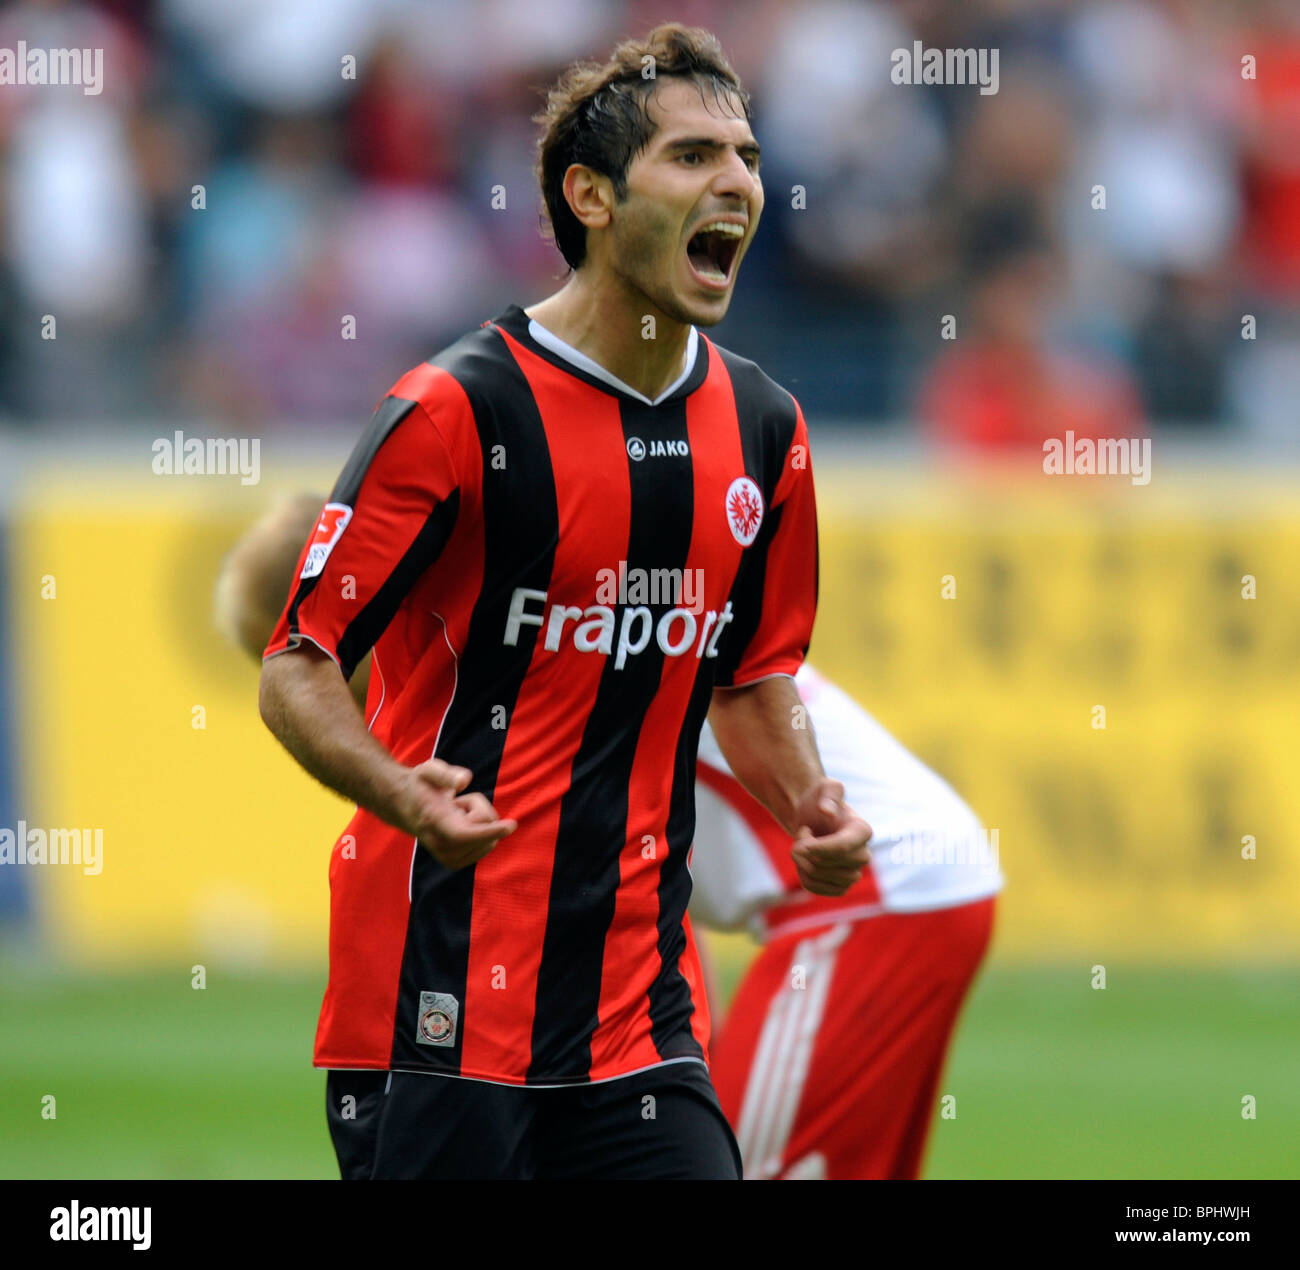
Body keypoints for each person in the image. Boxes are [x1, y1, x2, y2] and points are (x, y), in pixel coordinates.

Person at [254, 23, 870, 1181]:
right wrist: (399, 790)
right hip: (433, 1003)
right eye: (691, 157)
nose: (734, 180)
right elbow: (297, 660)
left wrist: (805, 804)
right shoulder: (454, 413)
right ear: (588, 195)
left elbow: (750, 675)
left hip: (639, 1013)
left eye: (743, 155)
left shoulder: (765, 430)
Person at [221, 514, 999, 1182]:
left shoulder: (503, 672)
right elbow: (643, 911)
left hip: (873, 894)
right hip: (899, 883)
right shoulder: (548, 602)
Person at [692, 666, 1001, 1179]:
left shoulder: (579, 659)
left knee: (736, 1167)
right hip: (917, 882)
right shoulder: (670, 622)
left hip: (871, 893)